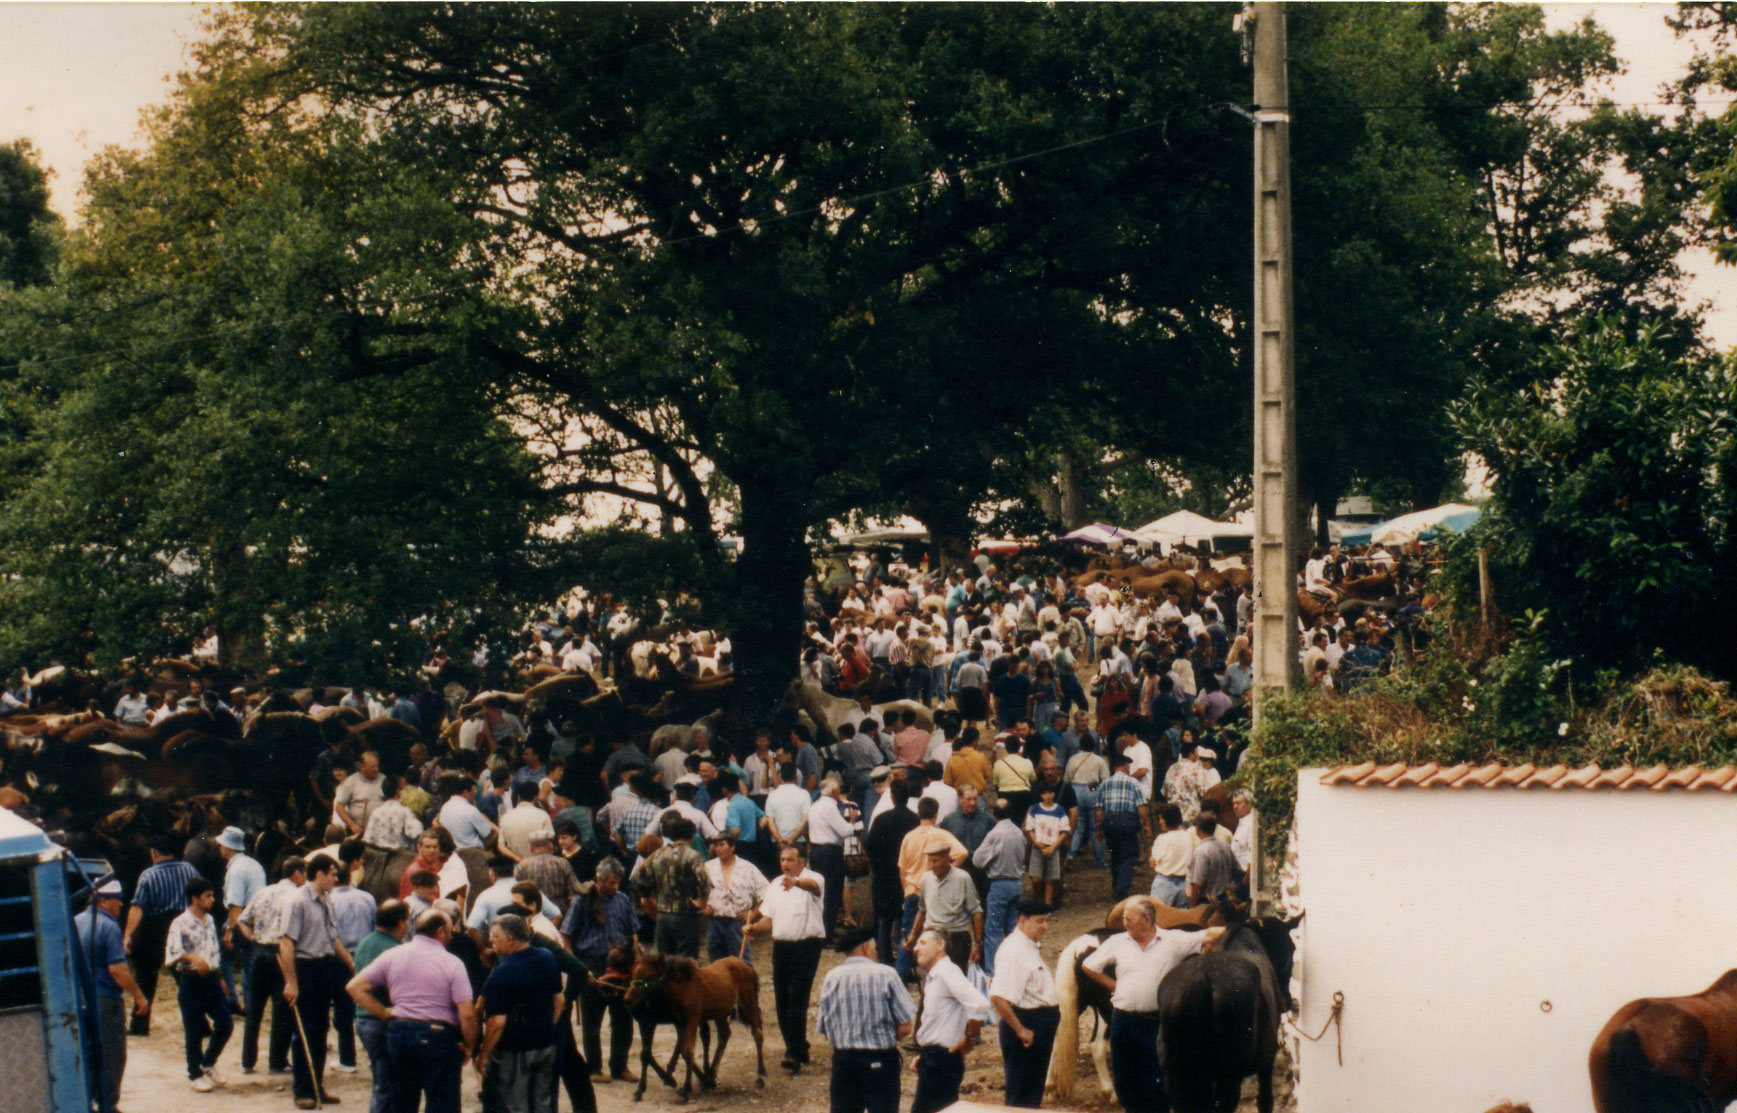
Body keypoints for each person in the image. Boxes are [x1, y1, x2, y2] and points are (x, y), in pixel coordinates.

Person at [1081, 898, 1224, 1113]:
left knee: (1157, 1081)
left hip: (1156, 1023)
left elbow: (1211, 934)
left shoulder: (1173, 940)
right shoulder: (1117, 942)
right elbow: (1089, 965)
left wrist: (1244, 926)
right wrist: (1115, 986)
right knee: (1124, 1080)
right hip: (1122, 1021)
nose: (1124, 923)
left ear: (1147, 920)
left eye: (1129, 919)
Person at [346, 910, 478, 1113]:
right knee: (442, 1103)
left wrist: (384, 1013)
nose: (451, 937)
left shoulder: (392, 955)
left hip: (399, 1033)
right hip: (438, 1037)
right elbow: (467, 1013)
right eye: (450, 932)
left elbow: (354, 986)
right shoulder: (452, 962)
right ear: (441, 932)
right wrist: (469, 1045)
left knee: (402, 1101)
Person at [280, 855, 355, 1109]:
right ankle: (302, 1090)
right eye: (333, 874)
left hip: (326, 967)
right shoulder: (297, 901)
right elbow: (286, 942)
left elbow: (333, 939)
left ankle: (316, 1084)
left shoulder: (326, 901)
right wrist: (291, 982)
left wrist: (352, 966)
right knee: (306, 1031)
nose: (336, 879)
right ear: (320, 874)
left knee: (321, 1030)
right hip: (305, 969)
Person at [815, 925, 916, 1113]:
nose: (876, 951)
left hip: (843, 1061)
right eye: (875, 948)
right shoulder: (887, 974)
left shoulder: (831, 977)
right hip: (880, 1060)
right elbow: (905, 1027)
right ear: (866, 947)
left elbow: (827, 1033)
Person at [746, 844, 827, 1074]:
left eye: (790, 860)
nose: (785, 864)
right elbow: (769, 920)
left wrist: (797, 882)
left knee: (798, 997)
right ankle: (797, 1046)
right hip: (781, 945)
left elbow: (814, 887)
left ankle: (794, 1052)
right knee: (781, 998)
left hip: (807, 945)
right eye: (782, 860)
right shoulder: (775, 884)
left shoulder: (814, 878)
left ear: (802, 861)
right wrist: (753, 928)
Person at [476, 914, 563, 1113]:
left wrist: (484, 1054)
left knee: (516, 1106)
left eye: (494, 936)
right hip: (546, 1044)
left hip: (516, 1050)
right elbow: (559, 1000)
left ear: (509, 939)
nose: (491, 940)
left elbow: (497, 1022)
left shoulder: (503, 971)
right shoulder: (547, 957)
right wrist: (547, 1027)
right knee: (543, 1103)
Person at [562, 859, 638, 1085]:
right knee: (592, 1021)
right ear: (600, 880)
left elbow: (633, 932)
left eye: (618, 883)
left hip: (621, 965)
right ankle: (594, 1067)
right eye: (612, 883)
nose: (615, 887)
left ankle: (620, 1066)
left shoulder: (623, 900)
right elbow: (566, 935)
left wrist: (635, 960)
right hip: (592, 964)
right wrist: (575, 965)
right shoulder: (581, 902)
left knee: (624, 1018)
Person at [78, 878, 148, 1113]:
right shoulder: (109, 927)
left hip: (81, 999)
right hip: (106, 999)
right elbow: (117, 969)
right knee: (112, 1054)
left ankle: (89, 1102)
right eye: (116, 902)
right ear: (103, 901)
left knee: (88, 1053)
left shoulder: (76, 922)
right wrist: (139, 996)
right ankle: (108, 1104)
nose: (120, 906)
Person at [908, 928, 990, 1113]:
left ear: (940, 945)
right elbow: (940, 1022)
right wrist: (925, 1054)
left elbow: (980, 1004)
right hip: (934, 1058)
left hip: (942, 1060)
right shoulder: (936, 975)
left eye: (923, 943)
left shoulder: (947, 972)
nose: (916, 948)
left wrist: (970, 1039)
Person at [236, 856, 304, 1075]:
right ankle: (277, 1060)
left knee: (254, 1008)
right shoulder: (297, 896)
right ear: (297, 873)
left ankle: (247, 1060)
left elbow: (242, 920)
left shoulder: (263, 892)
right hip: (281, 953)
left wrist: (254, 938)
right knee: (282, 1009)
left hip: (260, 952)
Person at [124, 835, 200, 1034]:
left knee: (146, 978)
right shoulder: (189, 870)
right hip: (183, 925)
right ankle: (200, 1023)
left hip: (155, 930)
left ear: (153, 853)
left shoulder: (148, 875)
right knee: (186, 977)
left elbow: (138, 907)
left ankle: (140, 1025)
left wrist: (128, 935)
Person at [989, 900, 1059, 1108]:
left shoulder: (1027, 946)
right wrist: (1021, 1030)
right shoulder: (1014, 952)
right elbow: (998, 997)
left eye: (1046, 921)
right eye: (1039, 921)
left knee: (1032, 1090)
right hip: (1027, 1026)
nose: (1044, 927)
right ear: (1022, 921)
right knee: (1021, 1094)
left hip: (1038, 1025)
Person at [352, 900, 411, 1113]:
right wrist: (384, 1012)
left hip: (364, 1020)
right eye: (407, 920)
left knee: (382, 1080)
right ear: (399, 923)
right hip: (380, 1019)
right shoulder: (394, 949)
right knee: (387, 1085)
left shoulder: (366, 942)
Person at [330, 845, 380, 1074]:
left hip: (339, 958)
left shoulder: (328, 901)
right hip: (365, 954)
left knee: (342, 1009)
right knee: (369, 1004)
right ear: (350, 875)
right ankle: (373, 1055)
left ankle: (347, 1059)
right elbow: (373, 927)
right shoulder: (367, 898)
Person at [632, 813, 711, 957]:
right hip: (685, 915)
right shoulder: (692, 855)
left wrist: (649, 897)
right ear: (691, 836)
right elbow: (705, 882)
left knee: (665, 961)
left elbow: (637, 878)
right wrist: (701, 902)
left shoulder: (658, 854)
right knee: (685, 962)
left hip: (662, 915)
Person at [905, 844, 982, 974]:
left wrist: (978, 944)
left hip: (956, 937)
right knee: (931, 979)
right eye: (929, 861)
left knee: (956, 979)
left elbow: (976, 912)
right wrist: (912, 936)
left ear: (947, 859)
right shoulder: (926, 879)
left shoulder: (962, 878)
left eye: (935, 861)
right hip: (932, 935)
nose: (932, 865)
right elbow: (922, 910)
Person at [970, 801, 1025, 977]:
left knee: (993, 929)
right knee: (1012, 928)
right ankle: (1014, 966)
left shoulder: (995, 834)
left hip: (999, 884)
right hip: (1016, 882)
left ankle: (992, 971)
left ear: (995, 814)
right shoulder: (1018, 832)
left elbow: (977, 860)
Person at [216, 826, 265, 1014]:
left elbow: (235, 905)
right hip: (256, 920)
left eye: (221, 845)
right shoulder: (254, 865)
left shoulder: (235, 871)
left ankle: (231, 999)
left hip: (240, 921)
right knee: (249, 964)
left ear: (227, 848)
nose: (220, 848)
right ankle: (251, 1005)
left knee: (224, 959)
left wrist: (229, 931)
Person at [805, 776, 860, 938]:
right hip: (829, 852)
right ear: (834, 791)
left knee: (820, 891)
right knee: (832, 892)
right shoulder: (830, 808)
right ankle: (826, 932)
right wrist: (852, 821)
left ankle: (824, 928)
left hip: (816, 850)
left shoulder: (815, 806)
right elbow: (845, 831)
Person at [703, 832, 768, 965]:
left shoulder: (748, 868)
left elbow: (767, 893)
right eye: (716, 845)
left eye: (722, 845)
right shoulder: (707, 867)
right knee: (716, 964)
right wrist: (702, 907)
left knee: (742, 963)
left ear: (732, 847)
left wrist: (753, 914)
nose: (718, 849)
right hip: (715, 922)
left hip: (737, 923)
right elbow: (692, 891)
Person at [1097, 752, 1151, 900]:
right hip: (1127, 821)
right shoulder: (1133, 782)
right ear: (1126, 767)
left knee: (1115, 853)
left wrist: (1099, 828)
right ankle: (1121, 888)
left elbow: (1099, 809)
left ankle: (1116, 885)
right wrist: (1146, 824)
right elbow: (1141, 806)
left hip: (1110, 821)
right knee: (1129, 855)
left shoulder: (1104, 783)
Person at [1023, 781, 1070, 907]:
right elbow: (1030, 828)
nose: (1048, 796)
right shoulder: (1035, 809)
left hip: (1053, 848)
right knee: (1036, 879)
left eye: (1050, 793)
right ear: (1041, 795)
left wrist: (1054, 846)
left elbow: (1064, 831)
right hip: (1038, 847)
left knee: (1050, 880)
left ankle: (1047, 905)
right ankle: (1038, 900)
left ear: (1054, 794)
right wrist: (1037, 843)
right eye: (1044, 793)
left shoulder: (1059, 810)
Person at [1186, 812, 1240, 906]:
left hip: (1207, 902)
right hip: (1224, 898)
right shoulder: (1225, 845)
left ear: (1197, 829)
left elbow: (1197, 885)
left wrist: (1192, 907)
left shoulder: (1202, 851)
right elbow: (1236, 870)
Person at [1148, 804, 1192, 909]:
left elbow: (1153, 862)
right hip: (1184, 884)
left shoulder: (1162, 839)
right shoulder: (1188, 836)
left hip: (1165, 883)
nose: (1159, 822)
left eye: (1161, 819)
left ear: (1167, 819)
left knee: (1157, 915)